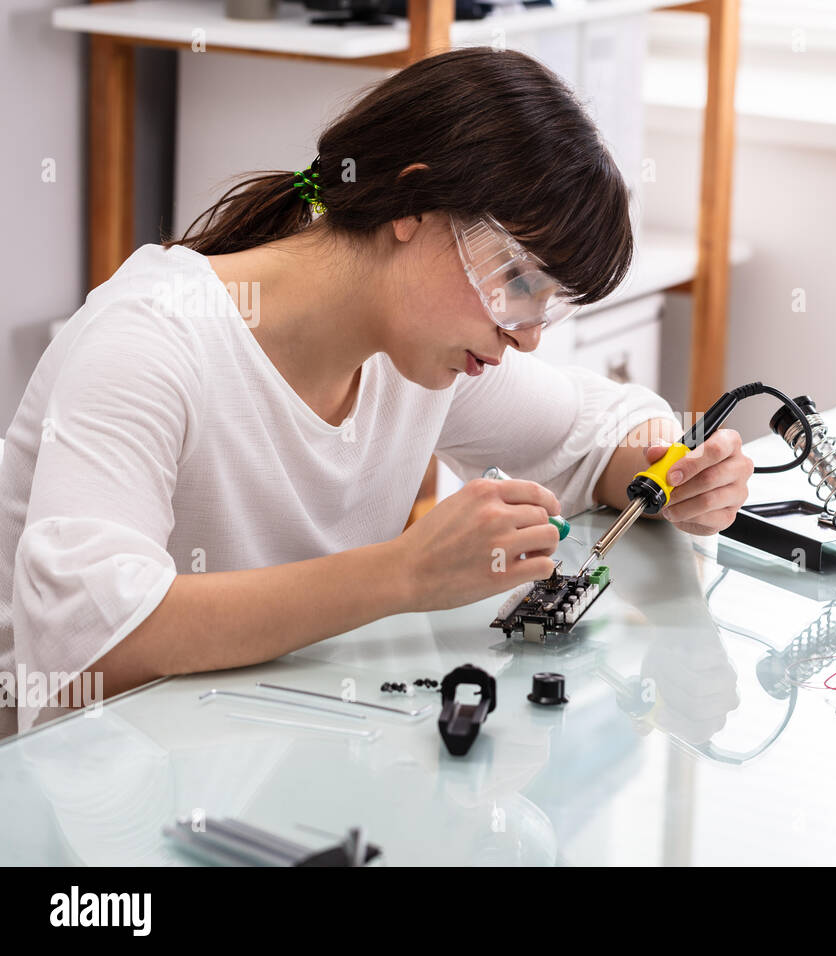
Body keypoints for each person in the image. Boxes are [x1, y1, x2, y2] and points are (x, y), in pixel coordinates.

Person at [0, 48, 754, 736]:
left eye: (547, 304)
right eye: (518, 280)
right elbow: (86, 642)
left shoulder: (411, 351)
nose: (526, 335)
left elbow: (601, 432)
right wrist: (405, 574)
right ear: (412, 207)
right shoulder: (150, 339)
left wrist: (674, 478)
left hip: (261, 752)